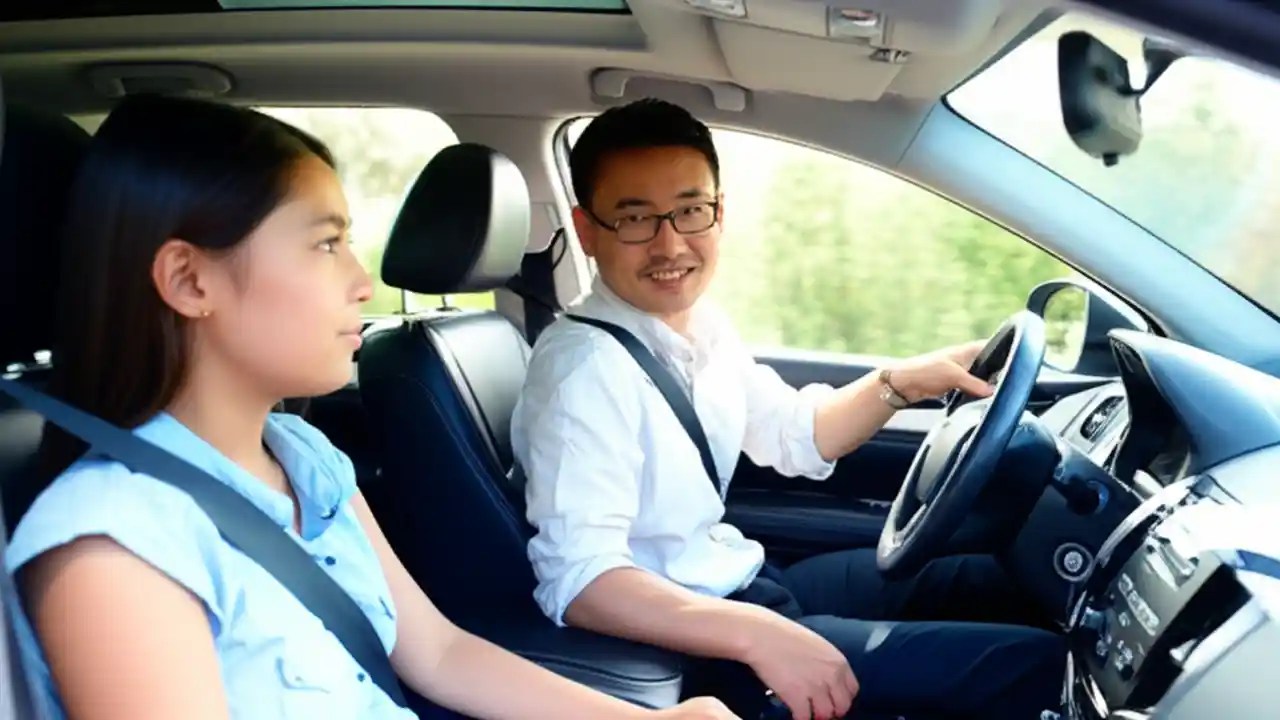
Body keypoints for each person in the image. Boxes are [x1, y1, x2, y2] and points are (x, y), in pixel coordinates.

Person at [3, 95, 737, 720]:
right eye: (326, 245)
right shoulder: (111, 552)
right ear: (190, 282)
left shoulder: (300, 454)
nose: (362, 281)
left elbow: (441, 654)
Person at [511, 98, 1065, 720]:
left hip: (740, 579)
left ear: (720, 214)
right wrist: (757, 636)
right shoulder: (584, 371)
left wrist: (904, 382)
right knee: (1036, 665)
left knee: (998, 581)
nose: (671, 244)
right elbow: (581, 582)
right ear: (588, 231)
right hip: (695, 643)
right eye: (635, 218)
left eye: (691, 211)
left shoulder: (697, 327)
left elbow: (795, 434)